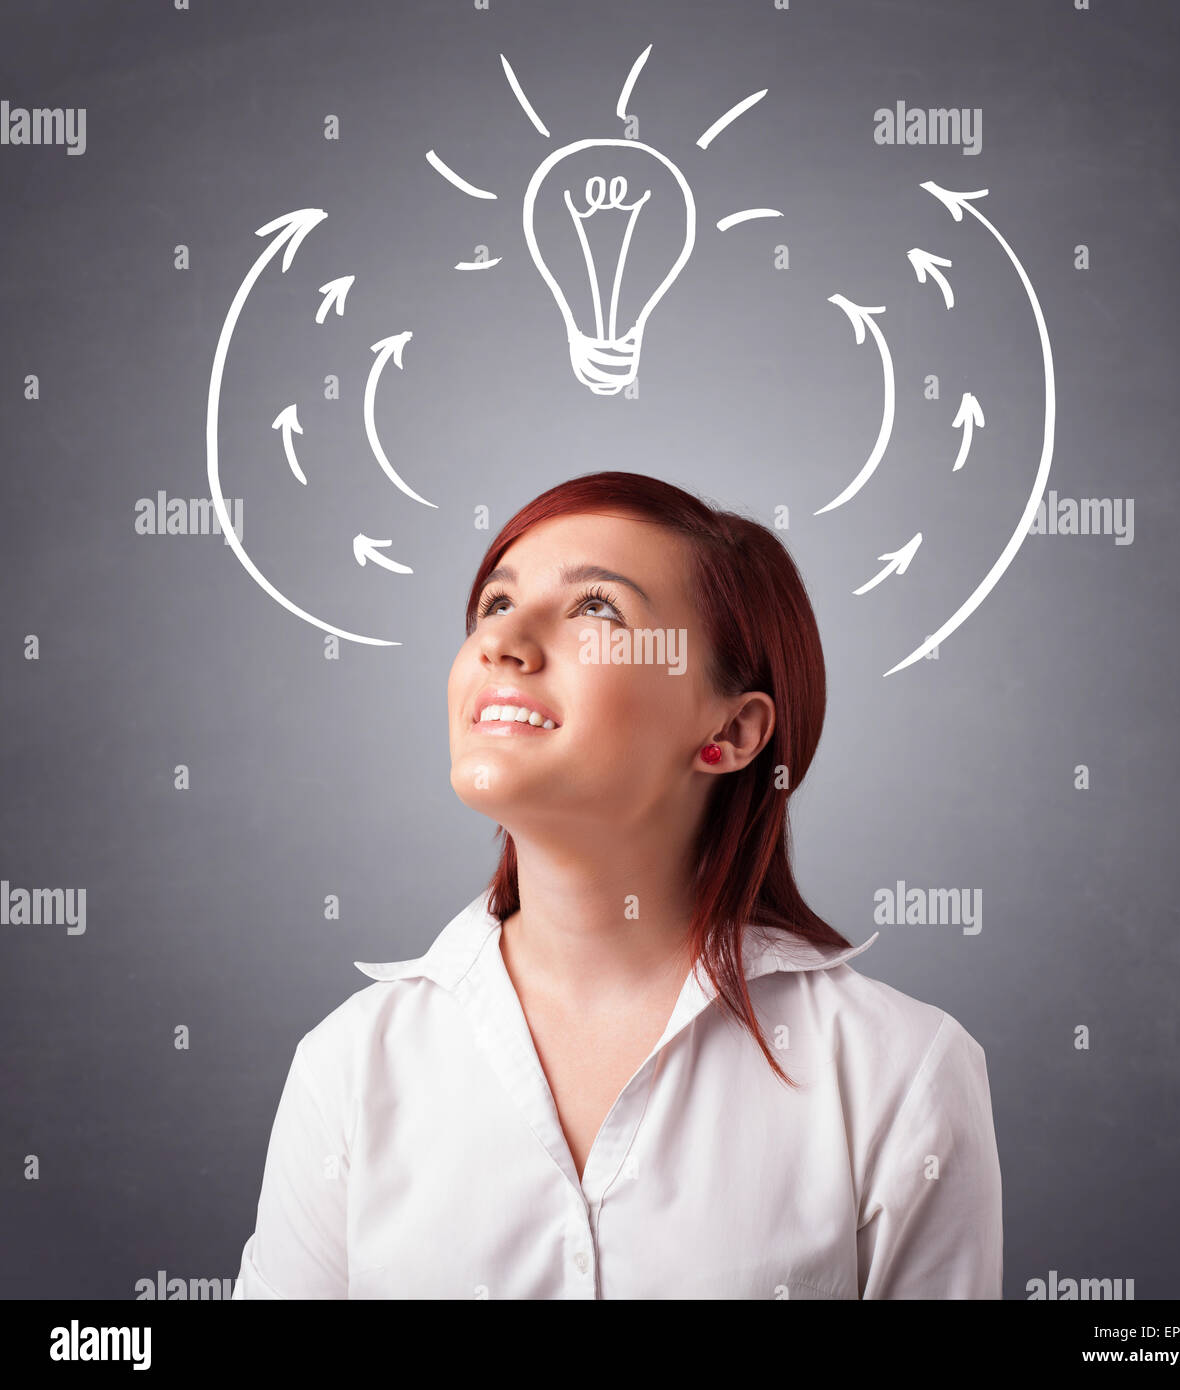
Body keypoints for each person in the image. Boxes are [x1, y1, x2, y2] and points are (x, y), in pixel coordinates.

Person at [232, 470, 1003, 1299]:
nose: (502, 642)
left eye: (596, 609)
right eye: (494, 603)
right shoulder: (348, 1067)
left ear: (731, 731)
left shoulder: (897, 1072)